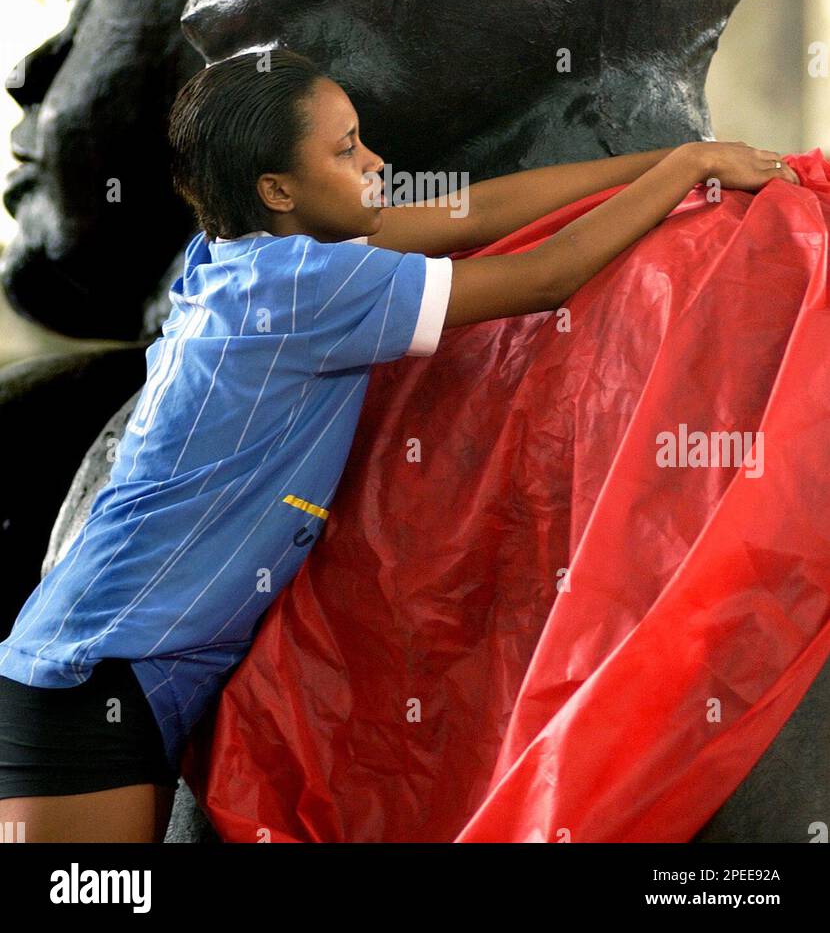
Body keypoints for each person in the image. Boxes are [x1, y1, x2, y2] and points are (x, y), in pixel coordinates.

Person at [0, 47, 799, 842]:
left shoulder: (242, 258)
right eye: (347, 150)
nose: (377, 161)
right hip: (91, 678)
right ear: (278, 190)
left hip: (127, 667)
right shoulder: (310, 288)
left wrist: (675, 161)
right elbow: (547, 276)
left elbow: (475, 214)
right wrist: (689, 166)